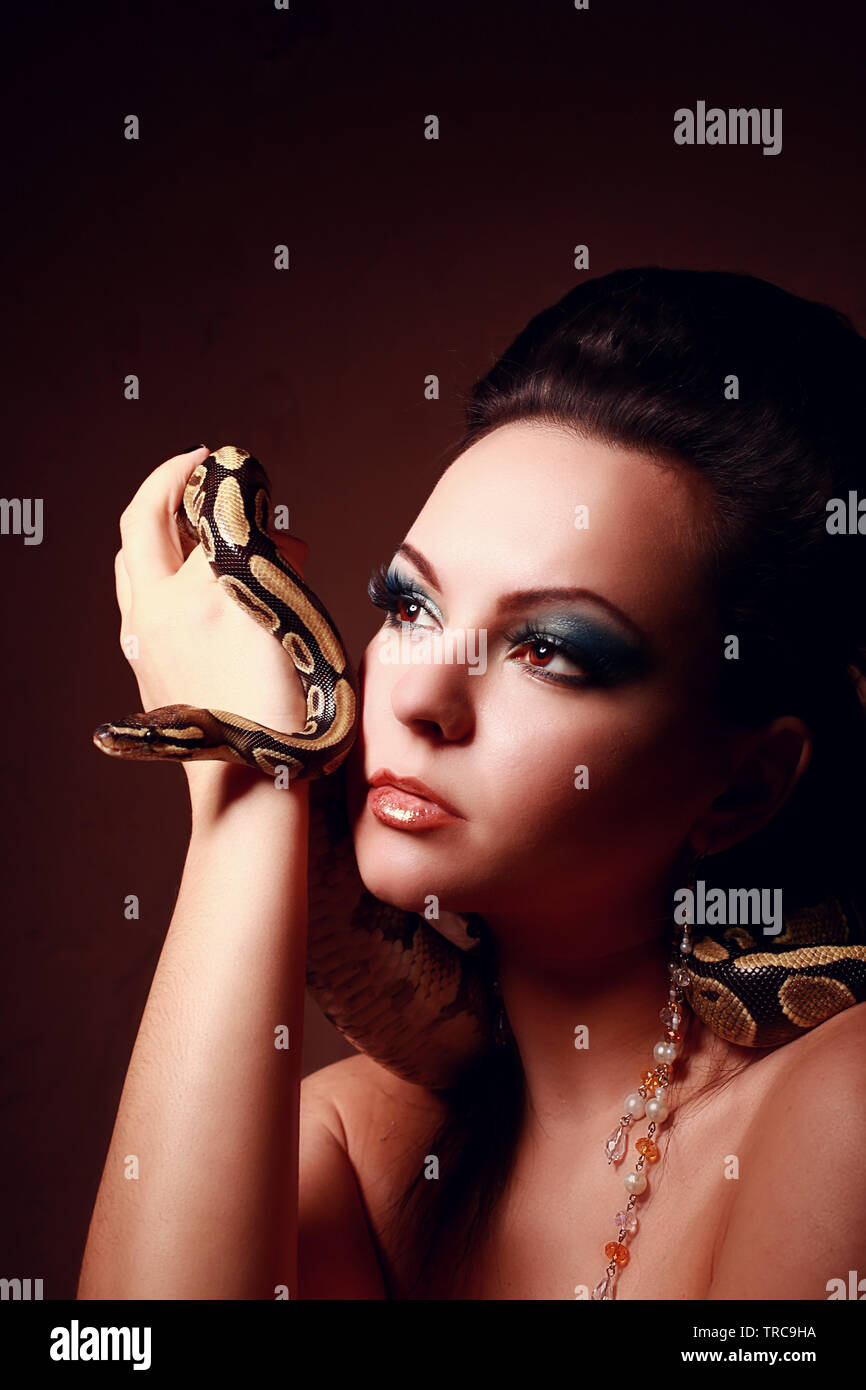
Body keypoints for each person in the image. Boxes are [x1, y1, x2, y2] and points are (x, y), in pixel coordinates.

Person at [78, 267, 866, 1301]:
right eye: (409, 608)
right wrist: (246, 784)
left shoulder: (841, 1106)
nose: (419, 698)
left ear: (742, 786)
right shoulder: (343, 1145)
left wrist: (271, 750)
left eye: (548, 648)